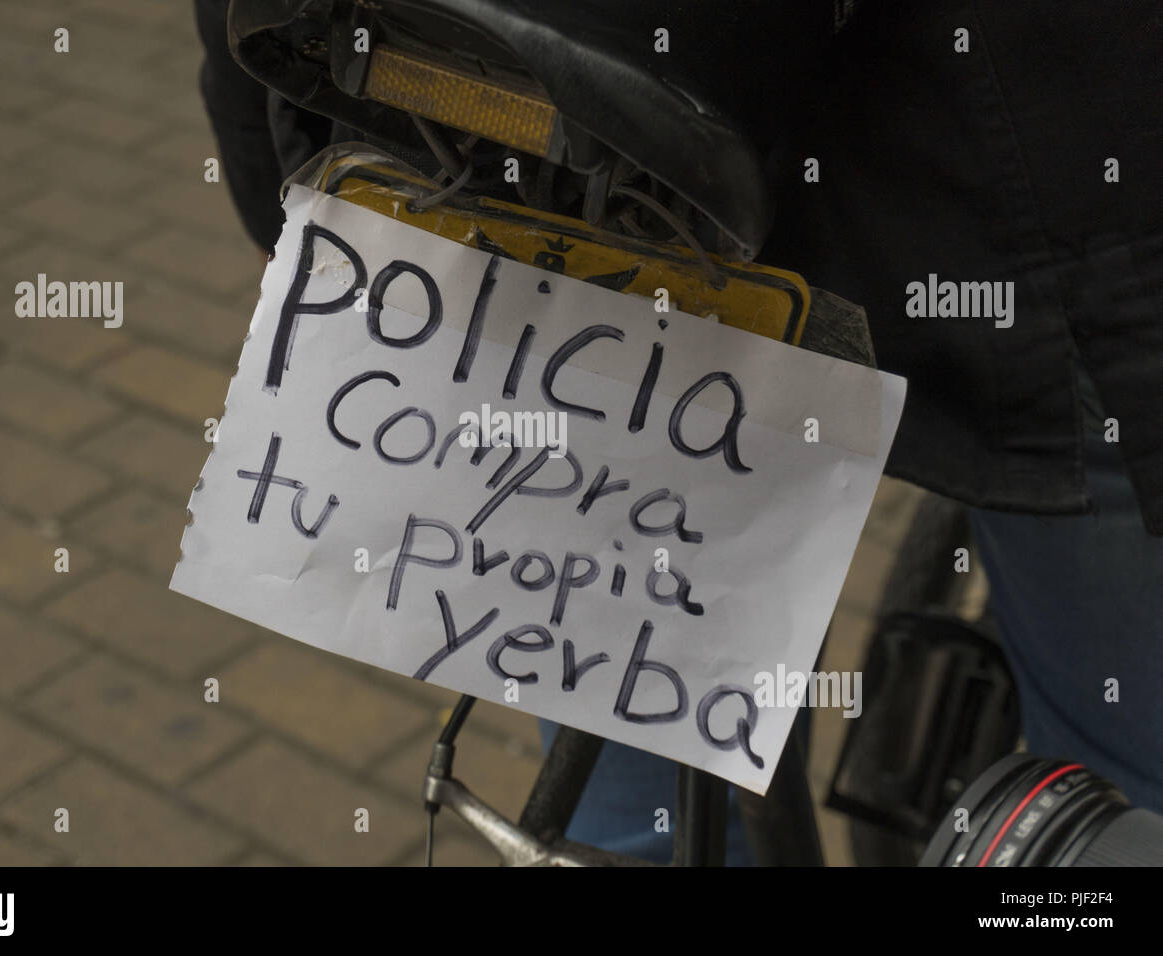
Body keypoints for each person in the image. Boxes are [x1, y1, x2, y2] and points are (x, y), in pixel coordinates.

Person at [195, 0, 1163, 863]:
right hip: (1030, 187)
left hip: (567, 151)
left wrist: (267, 141)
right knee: (1122, 787)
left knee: (628, 823)